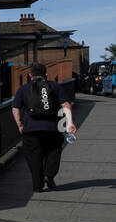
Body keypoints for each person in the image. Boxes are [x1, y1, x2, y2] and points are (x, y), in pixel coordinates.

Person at [12, 62, 76, 193]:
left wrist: (19, 124)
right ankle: (49, 175)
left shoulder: (23, 89)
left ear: (30, 75)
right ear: (46, 74)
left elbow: (15, 108)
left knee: (34, 157)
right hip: (52, 128)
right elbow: (66, 105)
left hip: (30, 130)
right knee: (54, 151)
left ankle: (37, 185)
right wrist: (70, 123)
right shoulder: (55, 86)